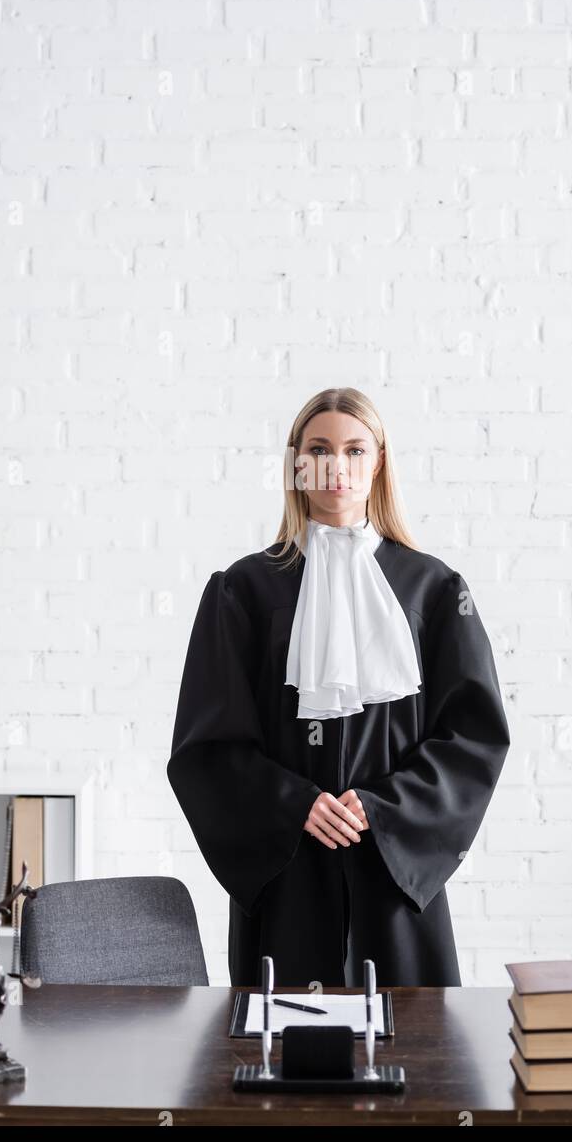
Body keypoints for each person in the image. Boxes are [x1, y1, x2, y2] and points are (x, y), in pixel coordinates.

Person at [166, 386, 511, 987]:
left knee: (414, 1061)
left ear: (377, 463)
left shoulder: (433, 589)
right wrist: (292, 804)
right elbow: (206, 749)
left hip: (396, 876)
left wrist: (383, 810)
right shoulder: (242, 591)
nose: (336, 466)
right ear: (296, 463)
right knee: (282, 1060)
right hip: (287, 875)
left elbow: (474, 738)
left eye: (355, 450)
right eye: (319, 449)